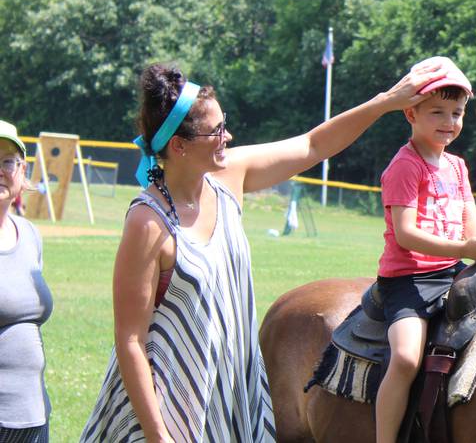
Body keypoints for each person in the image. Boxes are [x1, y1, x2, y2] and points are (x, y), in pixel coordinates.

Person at [81, 60, 448, 443]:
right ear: (179, 145)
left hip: (229, 394)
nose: (228, 136)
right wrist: (158, 435)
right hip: (162, 406)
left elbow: (314, 144)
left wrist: (386, 102)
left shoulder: (227, 177)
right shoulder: (147, 222)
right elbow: (130, 341)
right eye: (216, 130)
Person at [374, 56, 476, 443]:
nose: (449, 122)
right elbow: (405, 234)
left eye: (457, 112)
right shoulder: (405, 165)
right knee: (405, 359)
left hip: (453, 271)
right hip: (408, 280)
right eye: (437, 112)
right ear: (410, 113)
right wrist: (464, 246)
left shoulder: (456, 166)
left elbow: (472, 220)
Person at [0, 120, 53, 443]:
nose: (0, 170)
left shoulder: (30, 235)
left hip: (33, 414)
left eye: (7, 161)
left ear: (22, 169)